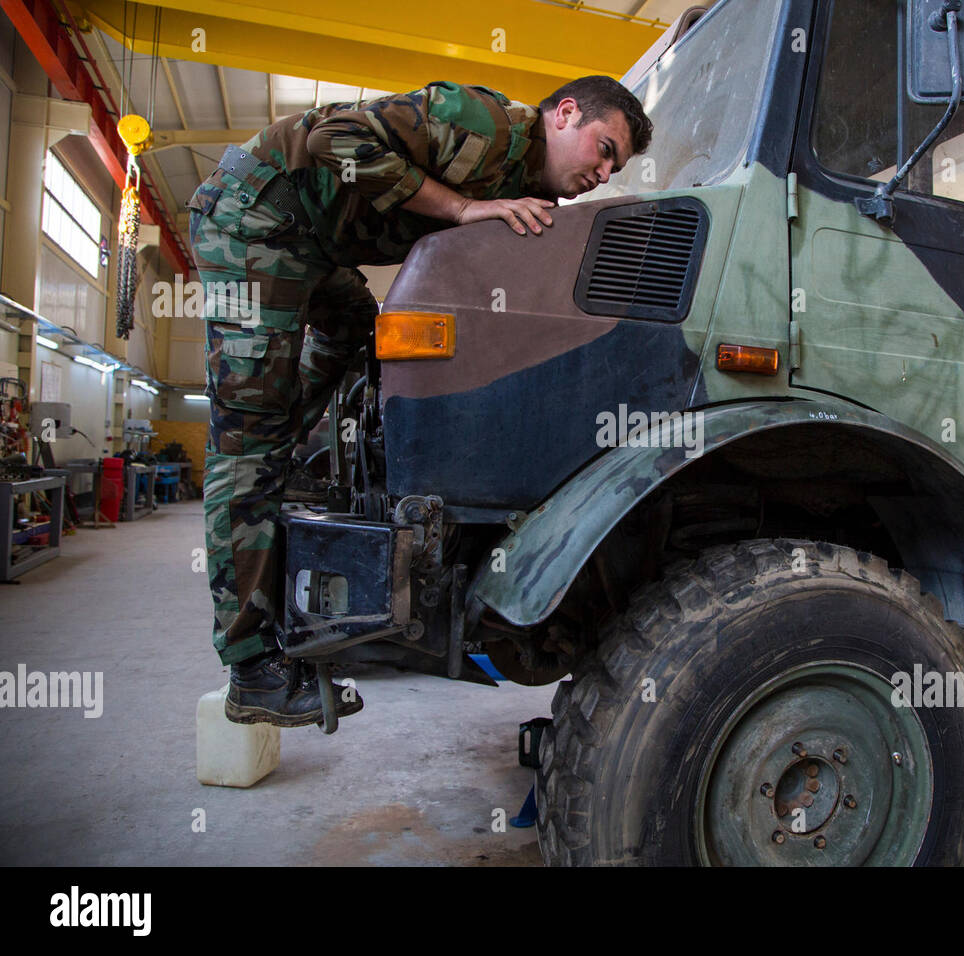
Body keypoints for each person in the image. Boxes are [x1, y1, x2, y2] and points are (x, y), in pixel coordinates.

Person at [187, 76, 652, 727]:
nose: (601, 173)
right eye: (603, 149)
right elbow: (332, 140)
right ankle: (251, 670)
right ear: (566, 113)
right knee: (244, 444)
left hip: (314, 242)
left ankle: (277, 451)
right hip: (256, 216)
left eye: (614, 167)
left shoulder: (529, 188)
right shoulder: (482, 123)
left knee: (356, 328)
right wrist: (458, 207)